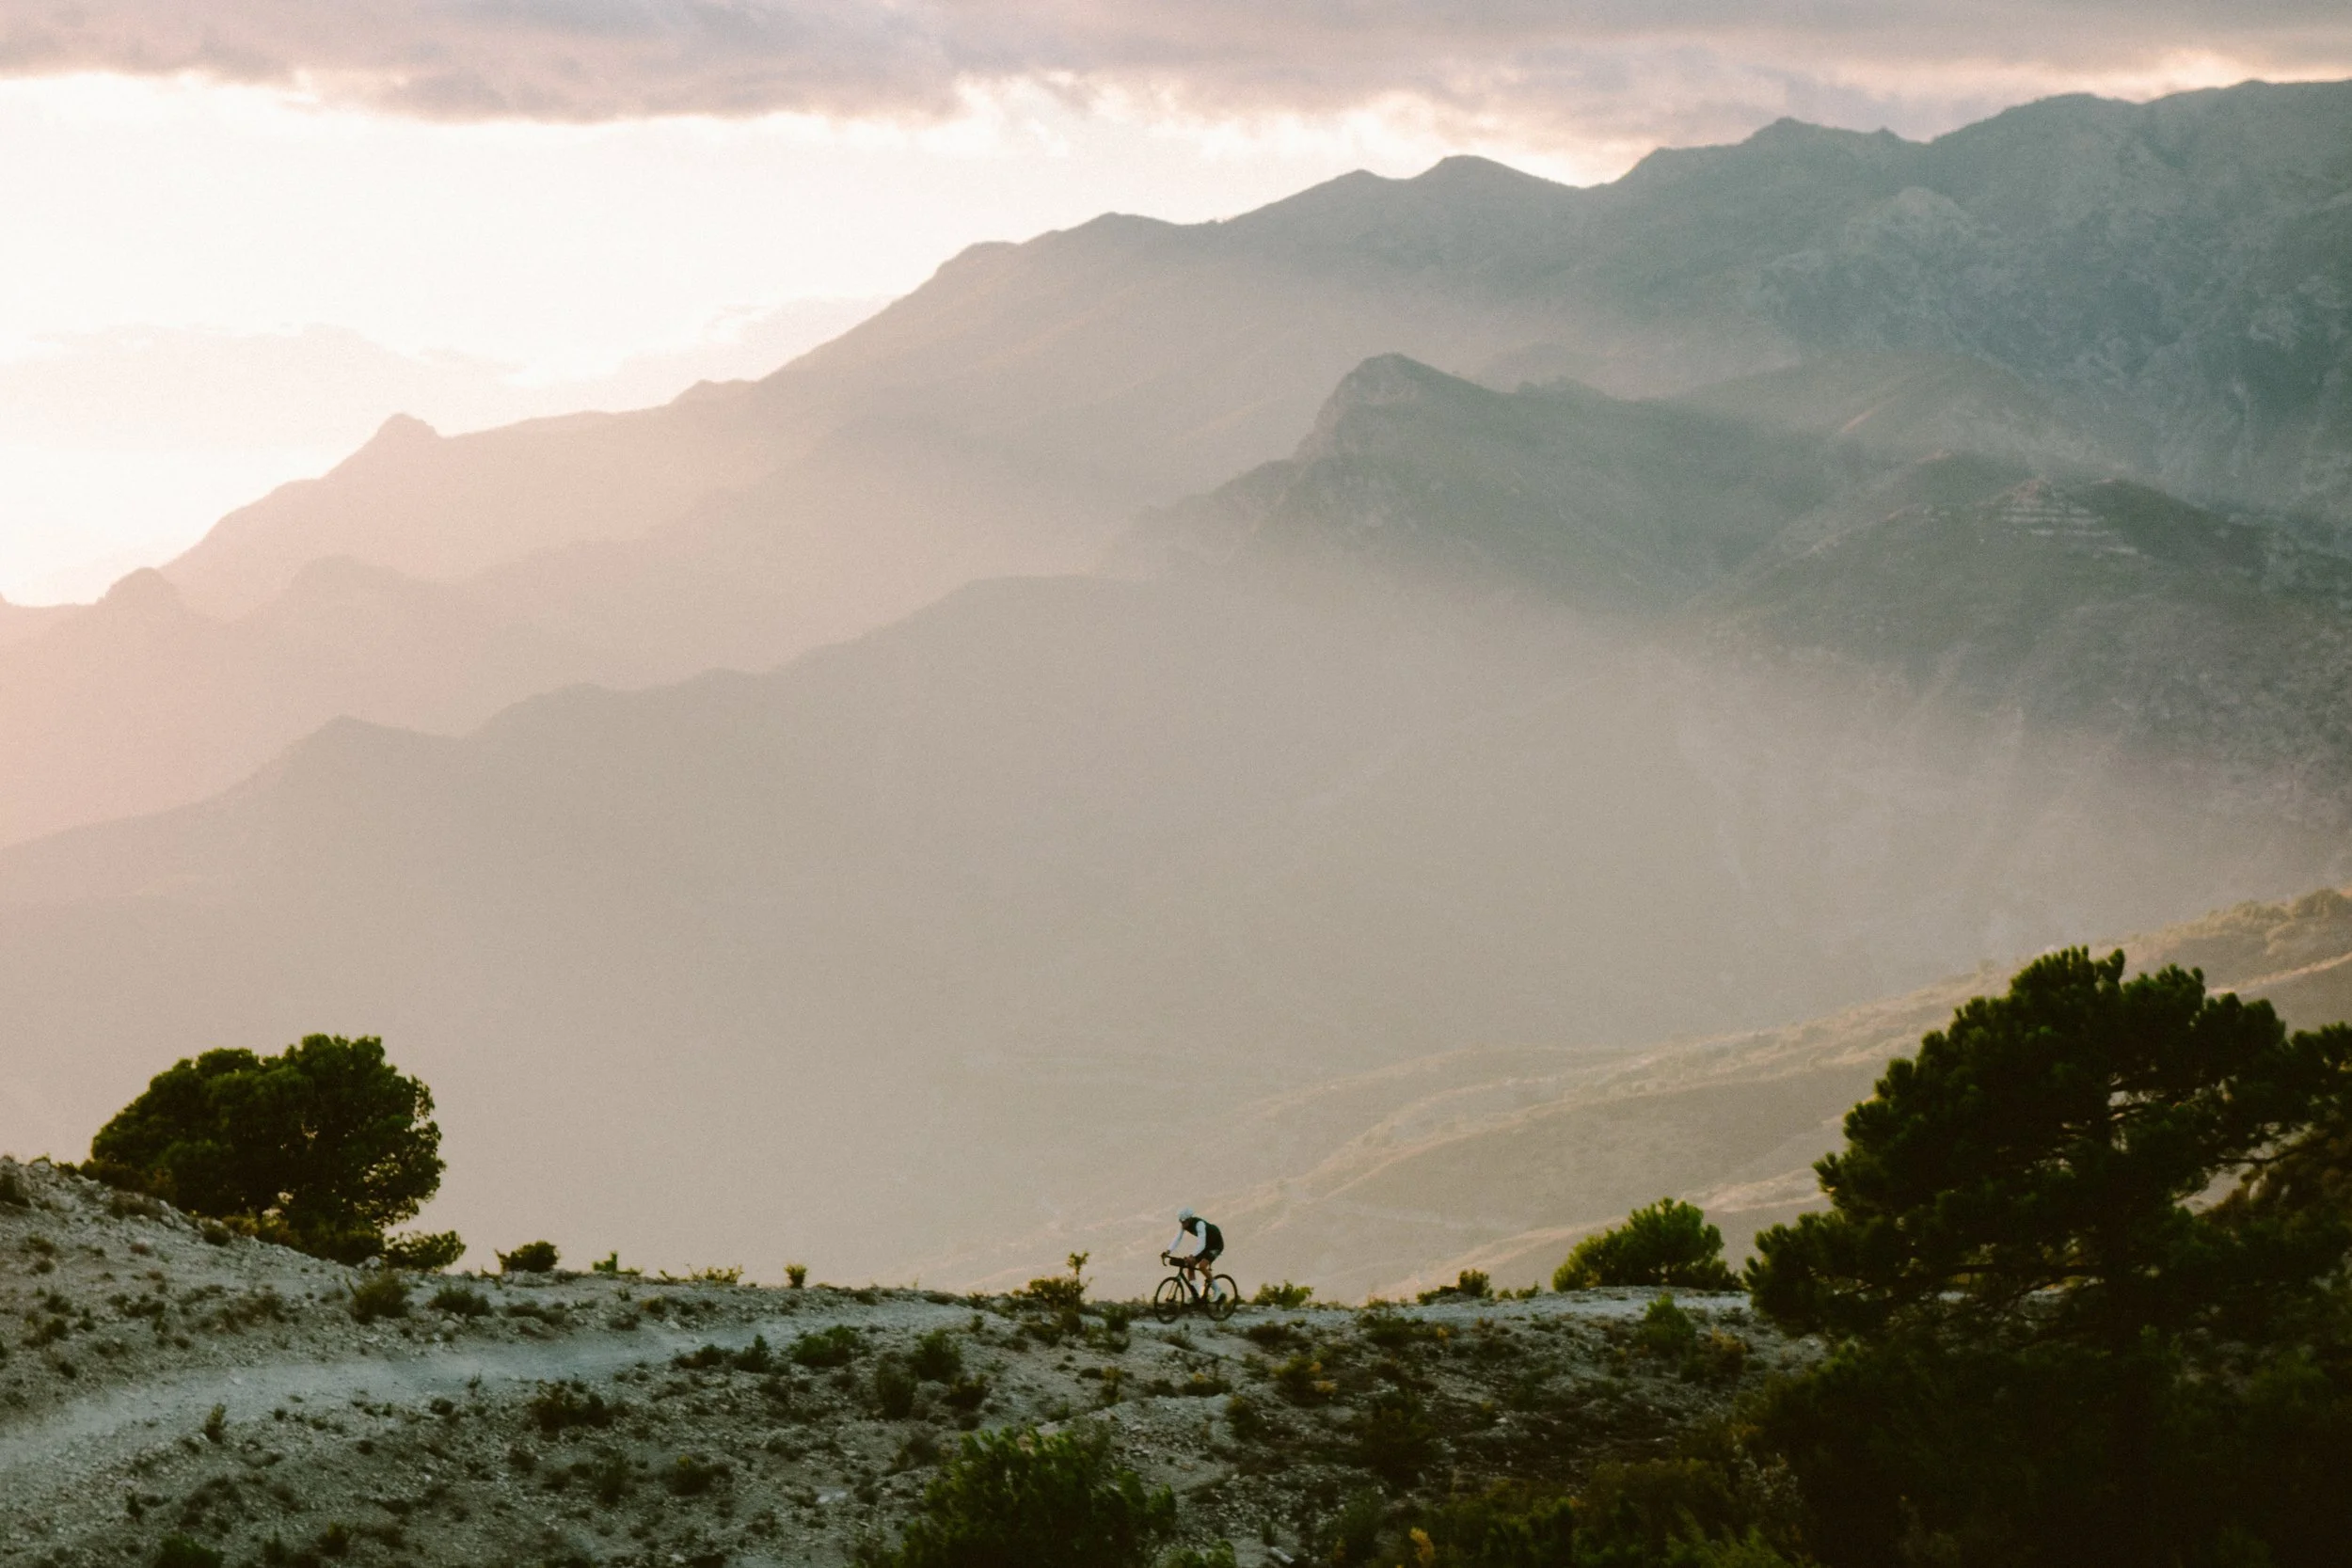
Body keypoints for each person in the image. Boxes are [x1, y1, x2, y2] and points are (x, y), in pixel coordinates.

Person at [1164, 1207, 1224, 1298]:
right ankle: (1196, 1294)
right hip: (1206, 1245)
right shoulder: (1184, 1225)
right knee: (1190, 1265)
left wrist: (1192, 1256)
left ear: (1189, 1219)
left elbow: (1201, 1244)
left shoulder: (1199, 1224)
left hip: (1216, 1245)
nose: (1182, 1224)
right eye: (1180, 1221)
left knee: (1202, 1266)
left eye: (1183, 1221)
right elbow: (1177, 1238)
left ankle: (1217, 1289)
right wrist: (1168, 1251)